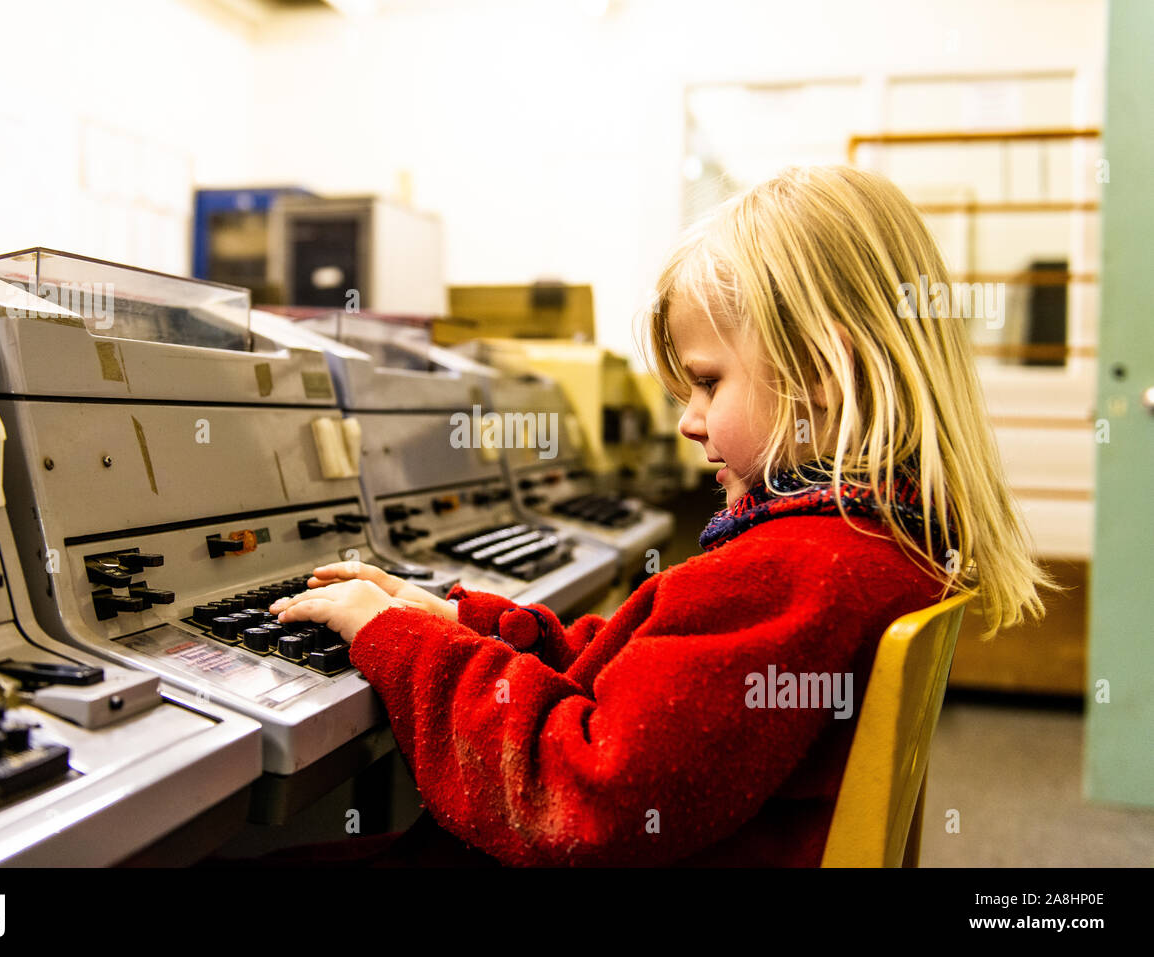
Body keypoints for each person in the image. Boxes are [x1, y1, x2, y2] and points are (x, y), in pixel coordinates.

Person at [268, 165, 1054, 867]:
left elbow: (579, 795)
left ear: (822, 369)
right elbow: (654, 680)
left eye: (708, 383)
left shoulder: (792, 573)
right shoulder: (862, 544)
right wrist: (458, 620)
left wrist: (400, 644)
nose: (688, 419)